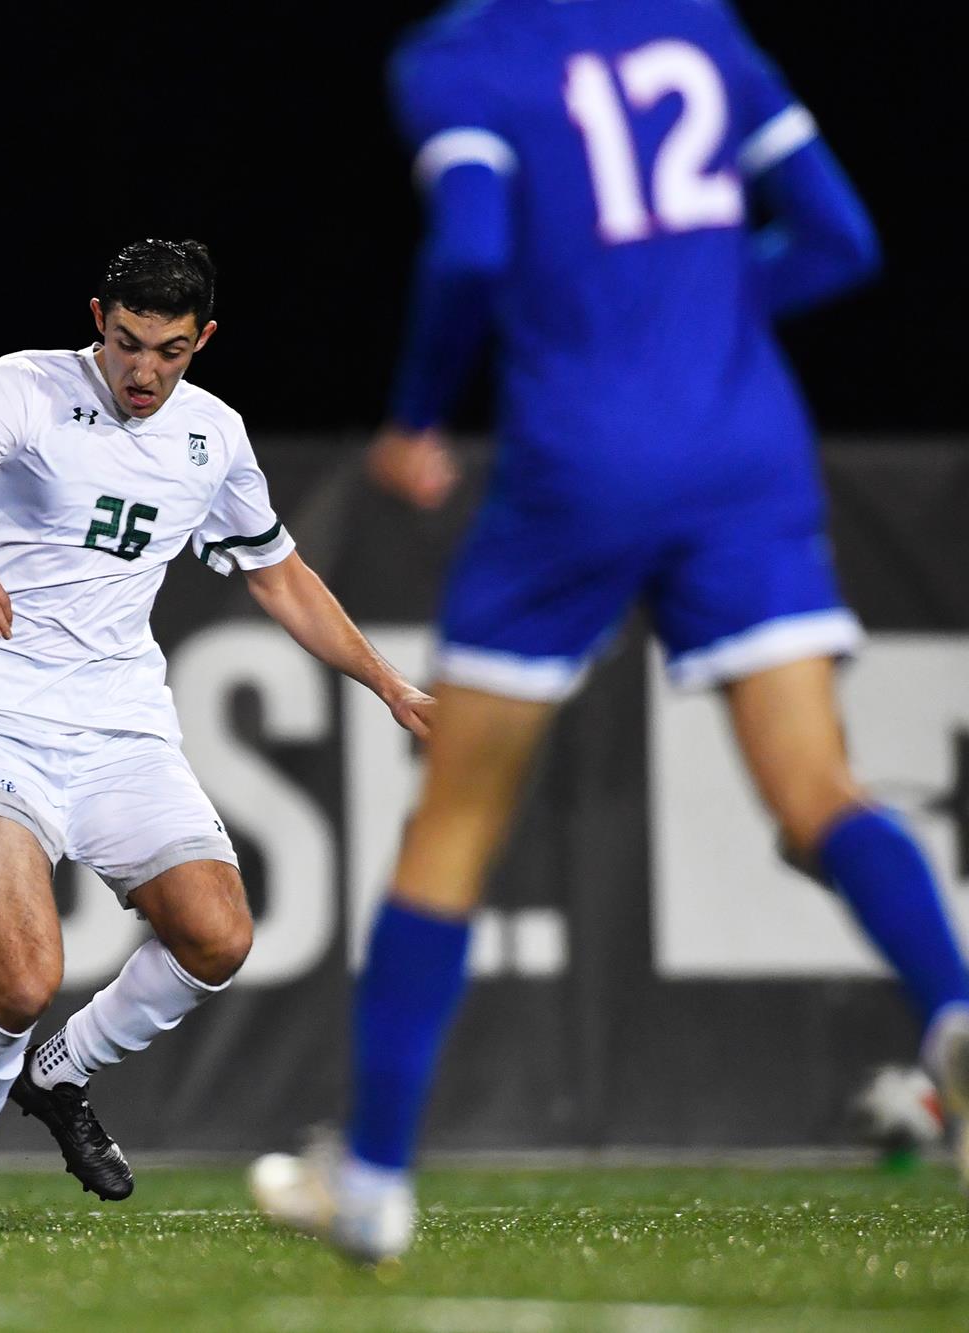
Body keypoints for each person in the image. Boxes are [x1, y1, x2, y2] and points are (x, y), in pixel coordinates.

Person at [251, 0, 969, 1263]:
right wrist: (701, 321)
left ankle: (370, 1178)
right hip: (744, 453)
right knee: (817, 791)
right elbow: (840, 238)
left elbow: (469, 252)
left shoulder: (461, 56)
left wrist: (415, 415)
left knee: (453, 822)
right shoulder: (698, 23)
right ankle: (953, 1009)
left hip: (578, 459)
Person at [0, 238, 434, 1228]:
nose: (143, 371)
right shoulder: (23, 388)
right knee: (23, 977)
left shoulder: (213, 435)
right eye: (127, 342)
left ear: (202, 339)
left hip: (121, 723)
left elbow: (278, 575)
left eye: (169, 350)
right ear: (98, 320)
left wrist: (386, 682)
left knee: (217, 935)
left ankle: (60, 1072)